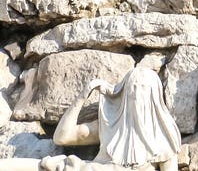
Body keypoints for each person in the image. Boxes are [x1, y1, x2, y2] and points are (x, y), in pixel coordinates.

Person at [0, 67, 180, 171]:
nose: (137, 97)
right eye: (132, 91)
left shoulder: (165, 141)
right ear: (124, 94)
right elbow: (62, 137)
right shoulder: (111, 126)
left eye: (143, 91)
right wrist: (83, 95)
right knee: (41, 166)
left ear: (154, 97)